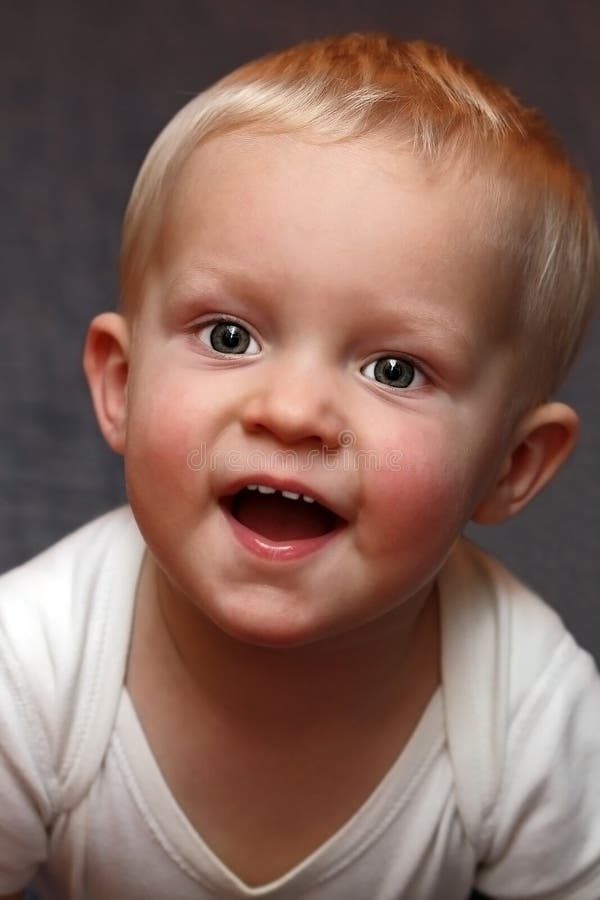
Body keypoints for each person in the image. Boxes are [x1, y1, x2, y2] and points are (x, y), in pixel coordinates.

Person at [1, 31, 599, 900]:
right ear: (123, 386)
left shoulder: (529, 709)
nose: (290, 411)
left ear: (512, 464)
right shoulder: (30, 666)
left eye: (394, 370)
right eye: (229, 336)